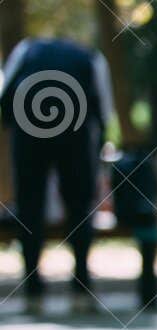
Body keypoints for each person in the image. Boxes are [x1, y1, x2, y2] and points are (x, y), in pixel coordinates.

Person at [0, 36, 114, 314]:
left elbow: (5, 98)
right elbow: (105, 111)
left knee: (30, 208)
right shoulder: (91, 56)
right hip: (76, 135)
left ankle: (33, 291)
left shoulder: (25, 49)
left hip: (28, 135)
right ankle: (81, 289)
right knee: (79, 208)